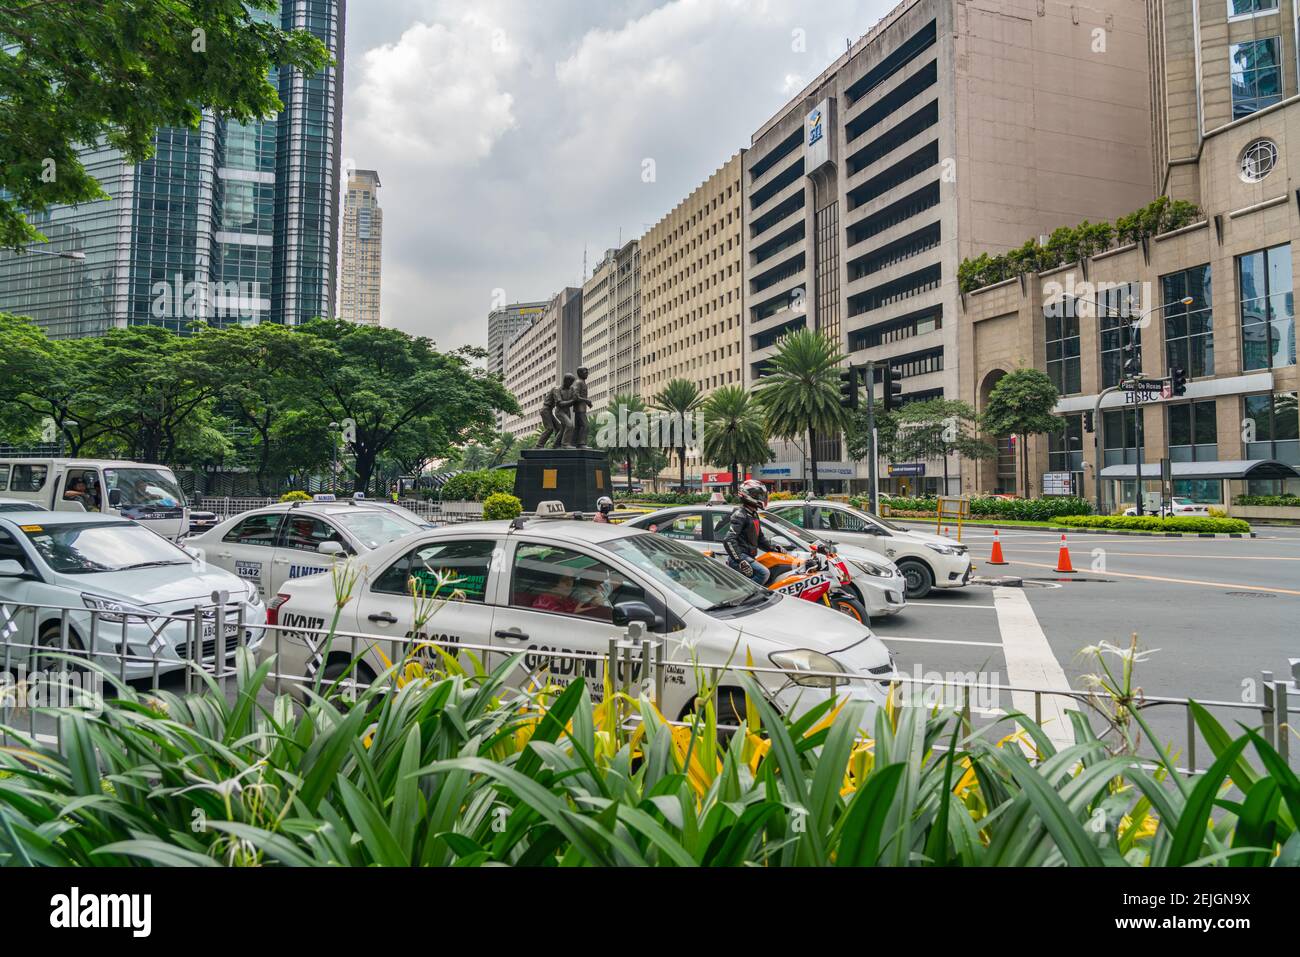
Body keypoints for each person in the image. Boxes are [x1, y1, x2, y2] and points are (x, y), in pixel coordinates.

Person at [723, 479, 773, 586]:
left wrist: (774, 548)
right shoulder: (740, 515)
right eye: (758, 495)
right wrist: (740, 560)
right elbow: (729, 540)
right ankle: (746, 594)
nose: (761, 497)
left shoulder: (754, 514)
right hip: (740, 558)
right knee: (763, 573)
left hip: (749, 556)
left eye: (762, 495)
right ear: (748, 496)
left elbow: (760, 538)